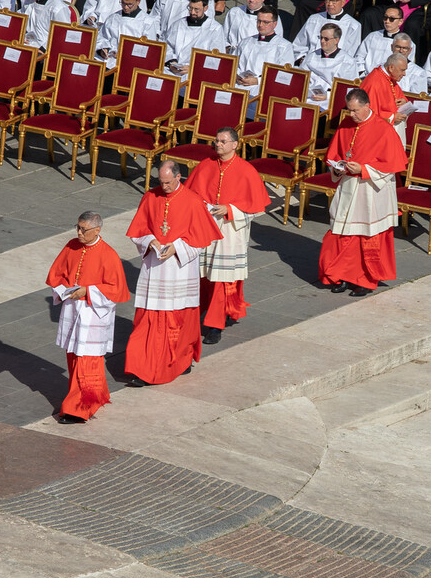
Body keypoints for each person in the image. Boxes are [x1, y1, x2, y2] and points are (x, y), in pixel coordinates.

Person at [124, 160, 222, 386]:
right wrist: (150, 241)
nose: (164, 187)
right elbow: (139, 230)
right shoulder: (150, 197)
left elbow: (201, 240)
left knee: (180, 320)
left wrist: (176, 248)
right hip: (154, 269)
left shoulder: (193, 201)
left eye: (168, 182)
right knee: (148, 321)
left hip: (180, 270)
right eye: (161, 182)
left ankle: (181, 359)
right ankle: (145, 368)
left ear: (179, 177)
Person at [317, 88, 407, 296]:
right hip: (348, 185)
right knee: (339, 233)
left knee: (367, 236)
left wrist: (364, 169)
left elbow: (392, 165)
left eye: (355, 110)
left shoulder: (383, 130)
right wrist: (337, 167)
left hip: (371, 191)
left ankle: (365, 280)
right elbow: (336, 154)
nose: (351, 115)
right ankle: (339, 275)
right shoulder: (346, 125)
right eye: (349, 110)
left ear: (367, 106)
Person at [46, 211, 130, 423]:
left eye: (84, 229)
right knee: (74, 357)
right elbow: (57, 274)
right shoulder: (72, 245)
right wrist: (64, 288)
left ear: (97, 230)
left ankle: (80, 407)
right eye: (78, 227)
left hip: (94, 314)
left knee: (87, 362)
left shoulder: (108, 254)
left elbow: (116, 289)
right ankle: (98, 395)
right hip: (73, 310)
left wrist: (88, 291)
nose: (79, 233)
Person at [186, 128, 268, 345]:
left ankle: (215, 325)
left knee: (222, 279)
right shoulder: (205, 165)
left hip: (230, 232)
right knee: (202, 275)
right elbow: (190, 195)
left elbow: (257, 208)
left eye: (223, 141)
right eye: (216, 140)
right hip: (205, 228)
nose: (218, 144)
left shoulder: (247, 170)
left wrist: (230, 209)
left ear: (235, 145)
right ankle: (196, 313)